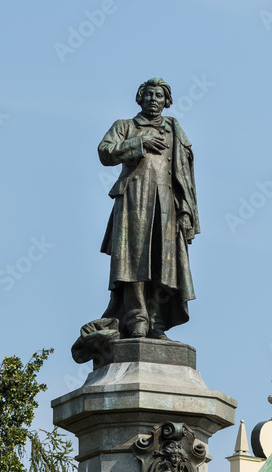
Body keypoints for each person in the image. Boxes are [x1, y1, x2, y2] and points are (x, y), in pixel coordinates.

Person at [97, 77, 198, 339]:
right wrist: (138, 144)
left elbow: (185, 175)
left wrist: (186, 213)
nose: (154, 99)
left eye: (159, 96)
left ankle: (156, 321)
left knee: (163, 264)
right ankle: (136, 318)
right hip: (133, 200)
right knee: (133, 262)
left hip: (165, 204)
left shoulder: (174, 129)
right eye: (149, 95)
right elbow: (105, 152)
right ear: (140, 98)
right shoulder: (125, 126)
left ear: (167, 102)